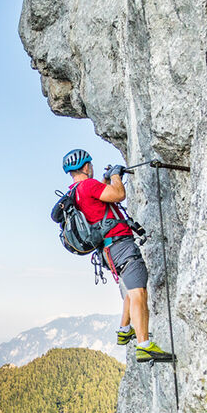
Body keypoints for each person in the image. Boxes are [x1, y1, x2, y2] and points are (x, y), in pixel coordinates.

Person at [61, 149, 175, 363]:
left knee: (130, 288)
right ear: (87, 166)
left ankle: (124, 329)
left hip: (107, 250)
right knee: (139, 291)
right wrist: (115, 176)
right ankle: (144, 345)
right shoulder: (88, 185)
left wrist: (107, 178)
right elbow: (118, 195)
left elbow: (98, 202)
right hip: (121, 245)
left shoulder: (75, 191)